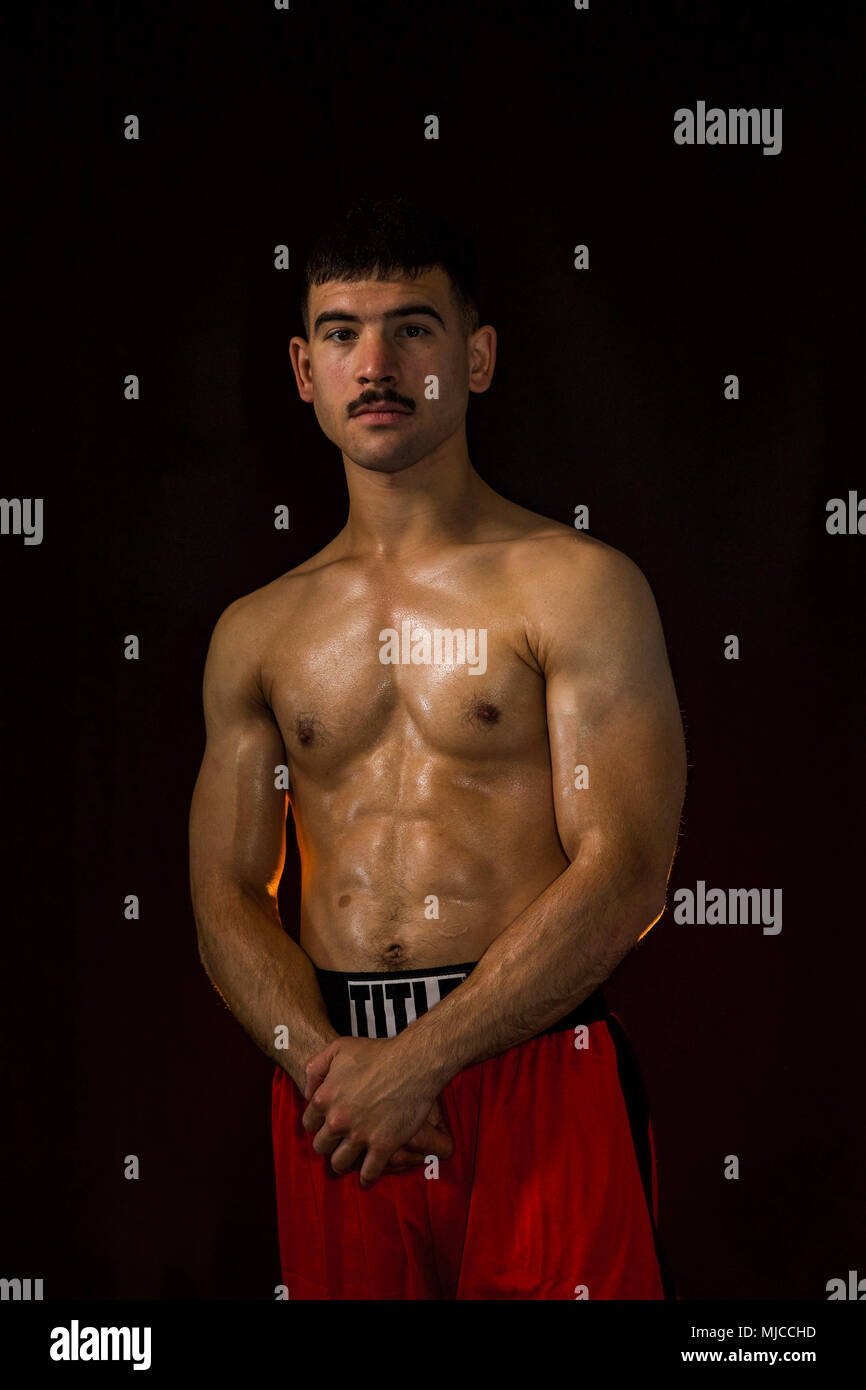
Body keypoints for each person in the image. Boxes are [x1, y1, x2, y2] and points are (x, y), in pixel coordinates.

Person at [188, 195, 687, 1300]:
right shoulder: (257, 630)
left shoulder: (576, 588)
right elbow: (226, 889)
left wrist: (419, 1061)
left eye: (412, 327)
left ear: (477, 356)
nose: (374, 361)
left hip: (534, 1074)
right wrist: (327, 1069)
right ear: (301, 369)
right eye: (339, 331)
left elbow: (626, 870)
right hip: (331, 1090)